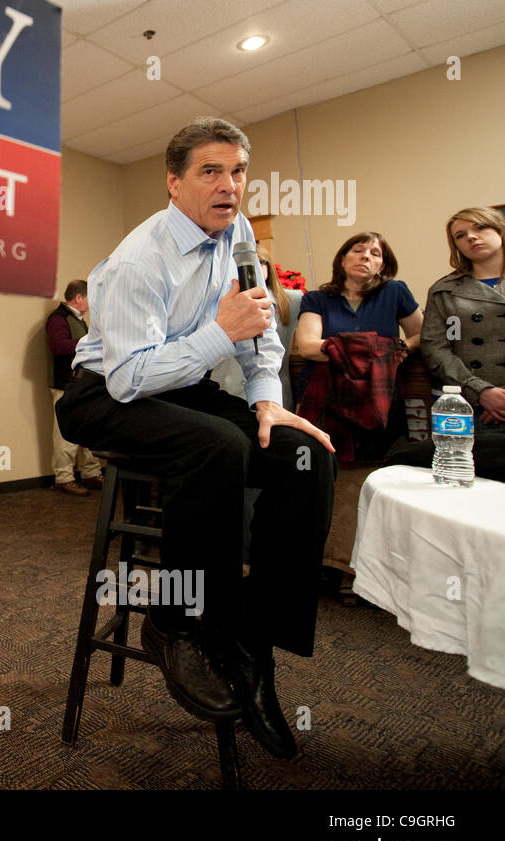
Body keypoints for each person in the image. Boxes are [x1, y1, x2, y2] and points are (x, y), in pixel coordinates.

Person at [57, 117, 336, 761]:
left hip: (177, 383)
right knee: (217, 447)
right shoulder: (138, 258)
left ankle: (250, 641)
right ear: (174, 183)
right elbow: (129, 379)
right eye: (210, 171)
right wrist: (220, 332)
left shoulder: (237, 235)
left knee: (304, 455)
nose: (229, 185)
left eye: (238, 171)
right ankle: (175, 621)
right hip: (106, 391)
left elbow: (261, 329)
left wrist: (268, 400)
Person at [385, 206, 505, 481]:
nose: (471, 238)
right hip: (474, 408)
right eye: (461, 235)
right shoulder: (445, 290)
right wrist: (482, 392)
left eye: (480, 228)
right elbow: (436, 348)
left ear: (499, 230)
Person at [294, 233, 423, 462]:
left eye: (375, 254)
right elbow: (307, 347)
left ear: (381, 266)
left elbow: (422, 335)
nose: (365, 257)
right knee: (320, 462)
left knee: (382, 464)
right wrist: (382, 351)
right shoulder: (316, 298)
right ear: (342, 259)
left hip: (381, 394)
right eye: (358, 251)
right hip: (324, 393)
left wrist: (402, 347)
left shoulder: (395, 292)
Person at [210, 245, 303, 408]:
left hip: (272, 389)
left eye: (260, 262)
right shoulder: (217, 302)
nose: (254, 267)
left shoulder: (292, 301)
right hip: (226, 383)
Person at [46, 281, 103, 496]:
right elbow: (58, 347)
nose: (92, 302)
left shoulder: (78, 320)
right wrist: (89, 342)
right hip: (64, 385)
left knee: (88, 431)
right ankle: (64, 477)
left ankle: (90, 473)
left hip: (81, 385)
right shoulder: (58, 319)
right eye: (90, 297)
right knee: (64, 436)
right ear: (78, 298)